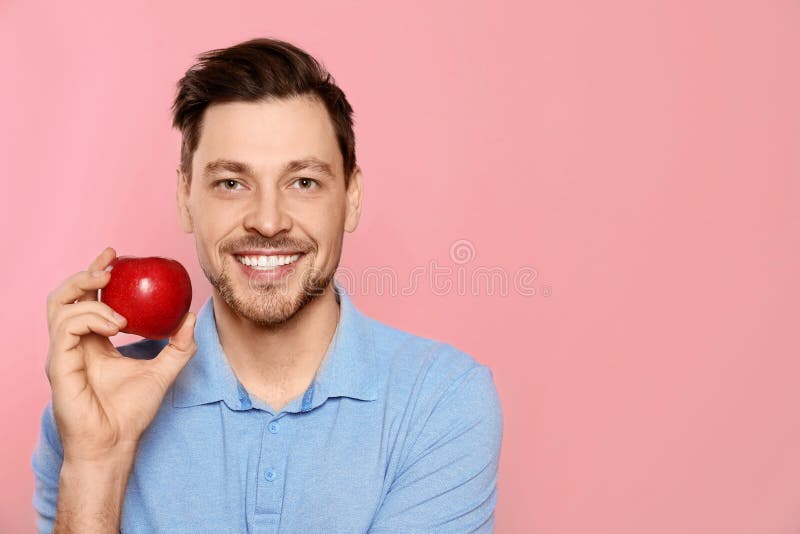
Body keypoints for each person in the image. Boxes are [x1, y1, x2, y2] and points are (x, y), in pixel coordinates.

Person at [31, 37, 503, 533]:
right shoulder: (91, 406)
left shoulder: (440, 400)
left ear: (352, 198)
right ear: (185, 198)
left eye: (303, 182)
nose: (268, 221)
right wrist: (96, 464)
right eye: (231, 183)